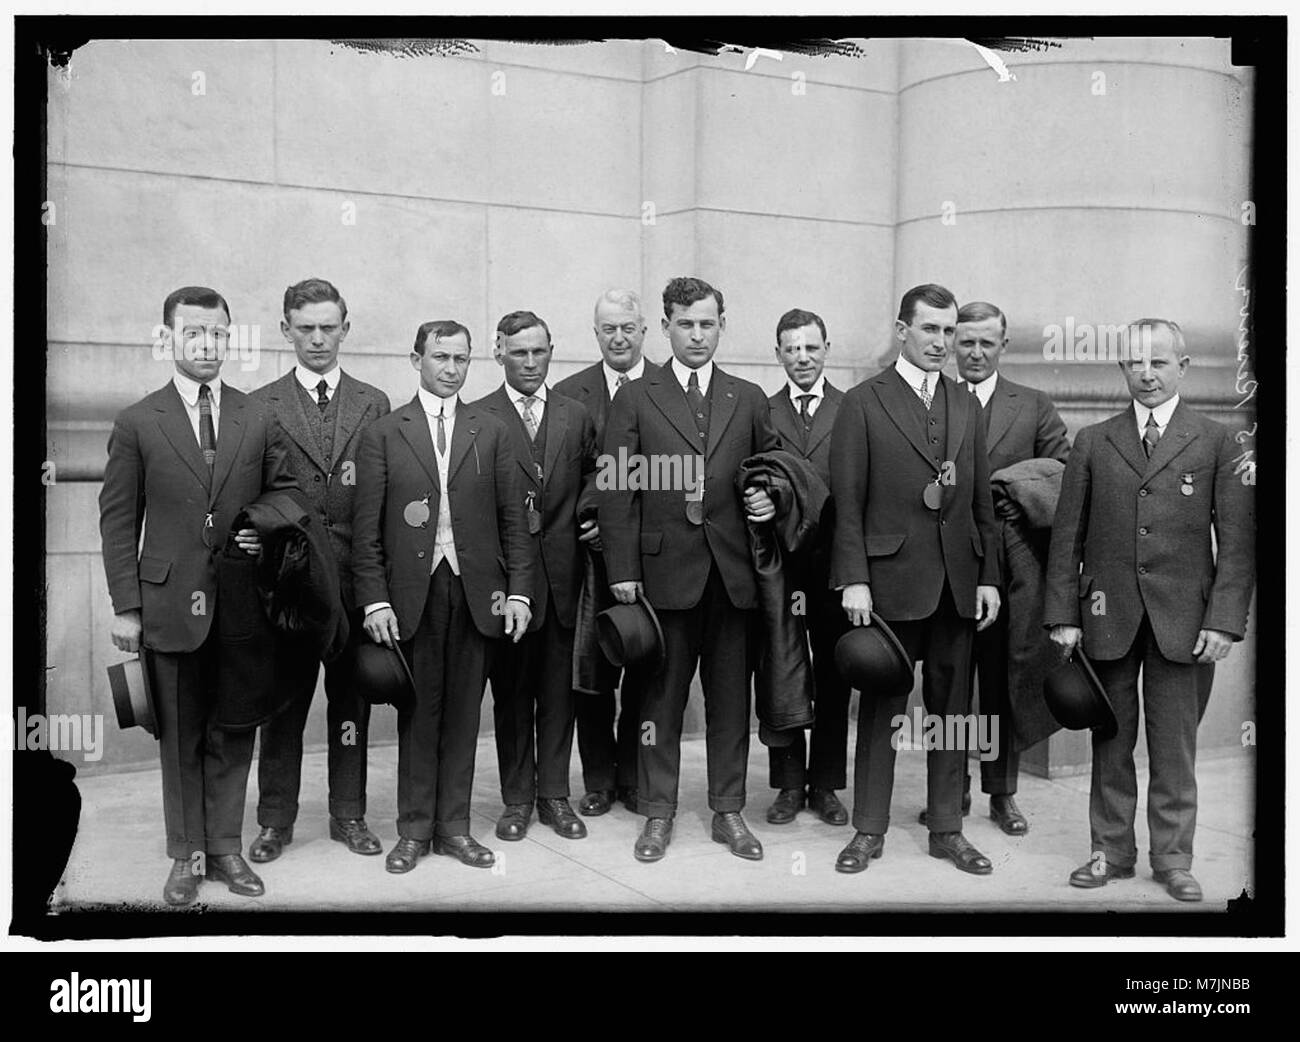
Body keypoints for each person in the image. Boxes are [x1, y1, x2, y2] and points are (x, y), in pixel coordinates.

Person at [100, 285, 298, 905]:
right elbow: (117, 520)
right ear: (169, 339)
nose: (208, 344)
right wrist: (127, 609)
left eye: (218, 333)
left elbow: (288, 496)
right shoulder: (138, 421)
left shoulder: (256, 415)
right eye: (194, 333)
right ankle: (184, 853)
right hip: (166, 609)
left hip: (241, 608)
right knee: (180, 735)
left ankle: (225, 847)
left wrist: (259, 526)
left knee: (233, 731)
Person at [1045, 319, 1254, 902]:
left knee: (1174, 745)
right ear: (1122, 369)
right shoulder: (1093, 441)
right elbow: (1068, 538)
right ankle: (1108, 850)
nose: (1147, 372)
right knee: (1110, 740)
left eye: (1159, 362)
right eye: (1136, 362)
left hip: (1186, 624)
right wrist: (1063, 615)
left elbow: (1237, 545)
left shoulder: (1218, 442)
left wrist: (1223, 620)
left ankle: (1174, 857)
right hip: (1106, 619)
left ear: (1182, 367)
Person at [600, 276, 781, 863]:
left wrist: (769, 496)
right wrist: (622, 569)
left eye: (707, 323)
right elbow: (615, 486)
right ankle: (657, 813)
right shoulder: (636, 396)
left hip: (732, 579)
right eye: (686, 323)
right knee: (659, 701)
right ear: (667, 326)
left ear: (721, 326)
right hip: (661, 577)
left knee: (732, 701)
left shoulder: (748, 396)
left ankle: (728, 810)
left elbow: (772, 467)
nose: (697, 334)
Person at [829, 283, 1001, 876]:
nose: (943, 342)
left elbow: (982, 500)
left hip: (958, 582)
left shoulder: (966, 403)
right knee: (882, 708)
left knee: (952, 713)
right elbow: (847, 504)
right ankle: (867, 830)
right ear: (903, 330)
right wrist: (854, 578)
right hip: (889, 581)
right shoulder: (863, 402)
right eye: (931, 330)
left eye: (950, 332)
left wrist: (989, 578)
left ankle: (947, 829)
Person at [352, 320, 534, 874]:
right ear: (416, 360)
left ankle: (454, 828)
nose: (450, 369)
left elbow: (513, 521)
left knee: (463, 715)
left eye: (460, 359)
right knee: (418, 711)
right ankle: (413, 831)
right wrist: (375, 600)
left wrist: (521, 593)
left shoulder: (493, 429)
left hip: (479, 592)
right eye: (439, 358)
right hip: (413, 593)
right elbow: (367, 530)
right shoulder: (385, 432)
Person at [248, 278, 392, 864]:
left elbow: (384, 498)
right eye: (304, 328)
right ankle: (275, 820)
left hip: (356, 584)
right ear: (286, 330)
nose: (317, 339)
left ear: (345, 328)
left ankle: (349, 814)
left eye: (328, 327)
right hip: (291, 588)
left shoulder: (374, 402)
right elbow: (251, 497)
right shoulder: (260, 406)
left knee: (351, 706)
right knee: (282, 707)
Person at [926, 300, 1070, 835]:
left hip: (1013, 573)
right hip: (944, 568)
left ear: (1003, 346)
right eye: (966, 342)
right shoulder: (931, 400)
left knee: (1003, 683)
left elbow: (1064, 470)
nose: (976, 352)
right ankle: (950, 790)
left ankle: (1002, 793)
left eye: (987, 342)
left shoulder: (1032, 405)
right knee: (949, 688)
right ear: (951, 343)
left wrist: (1014, 484)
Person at [476, 310, 599, 841]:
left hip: (565, 577)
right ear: (498, 351)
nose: (530, 362)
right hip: (507, 583)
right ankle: (517, 799)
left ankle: (554, 795)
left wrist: (592, 509)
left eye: (539, 351)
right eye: (518, 352)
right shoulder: (478, 416)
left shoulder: (576, 414)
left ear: (552, 351)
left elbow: (599, 471)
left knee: (558, 694)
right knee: (511, 693)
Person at [554, 289, 656, 817]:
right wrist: (587, 517)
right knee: (591, 674)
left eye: (628, 328)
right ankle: (597, 779)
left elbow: (676, 474)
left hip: (649, 560)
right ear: (595, 334)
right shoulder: (569, 394)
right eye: (608, 329)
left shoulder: (670, 388)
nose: (619, 338)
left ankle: (636, 778)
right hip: (586, 560)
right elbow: (559, 475)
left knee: (643, 670)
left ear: (645, 331)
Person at [763, 308, 850, 828]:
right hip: (780, 567)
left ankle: (826, 784)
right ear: (778, 354)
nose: (802, 358)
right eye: (792, 349)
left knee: (835, 673)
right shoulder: (761, 410)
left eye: (811, 348)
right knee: (781, 669)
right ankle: (789, 785)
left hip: (835, 565)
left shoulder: (852, 408)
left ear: (826, 349)